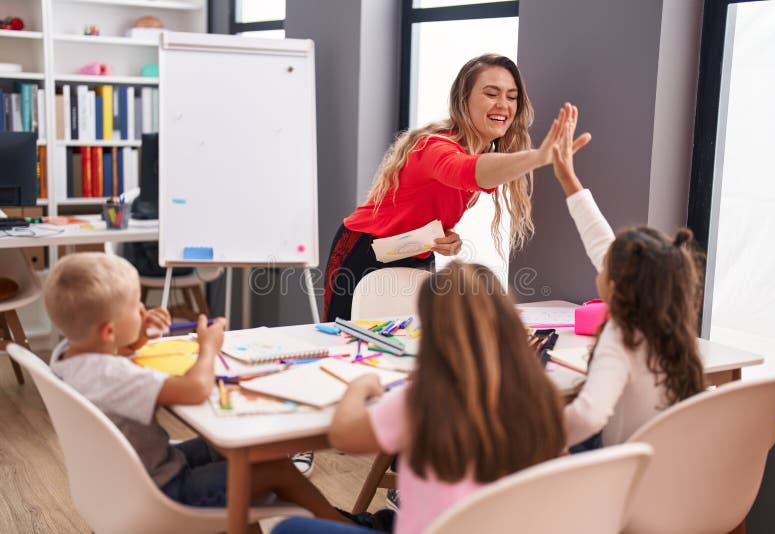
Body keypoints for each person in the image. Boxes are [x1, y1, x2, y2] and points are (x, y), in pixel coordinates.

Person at [43, 253, 347, 523]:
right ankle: (349, 528)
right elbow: (196, 388)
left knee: (232, 445)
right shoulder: (116, 375)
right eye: (136, 307)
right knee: (275, 467)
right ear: (109, 331)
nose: (142, 310)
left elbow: (109, 353)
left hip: (124, 479)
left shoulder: (67, 357)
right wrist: (208, 348)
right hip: (165, 491)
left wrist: (137, 334)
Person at [273, 261, 566, 533]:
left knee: (287, 529)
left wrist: (360, 386)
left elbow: (342, 435)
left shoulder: (422, 402)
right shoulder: (543, 397)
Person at [324, 53, 590, 322]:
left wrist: (444, 239)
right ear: (464, 100)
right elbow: (468, 172)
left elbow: (443, 195)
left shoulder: (477, 150)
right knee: (343, 342)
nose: (503, 105)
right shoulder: (435, 147)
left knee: (412, 344)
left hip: (413, 254)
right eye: (491, 93)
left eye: (511, 97)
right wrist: (537, 157)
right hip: (363, 250)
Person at [549, 104, 706, 450]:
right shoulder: (671, 330)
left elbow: (588, 417)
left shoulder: (622, 336)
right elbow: (601, 242)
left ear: (617, 285)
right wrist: (567, 177)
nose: (600, 263)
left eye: (605, 265)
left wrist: (536, 441)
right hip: (660, 468)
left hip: (616, 475)